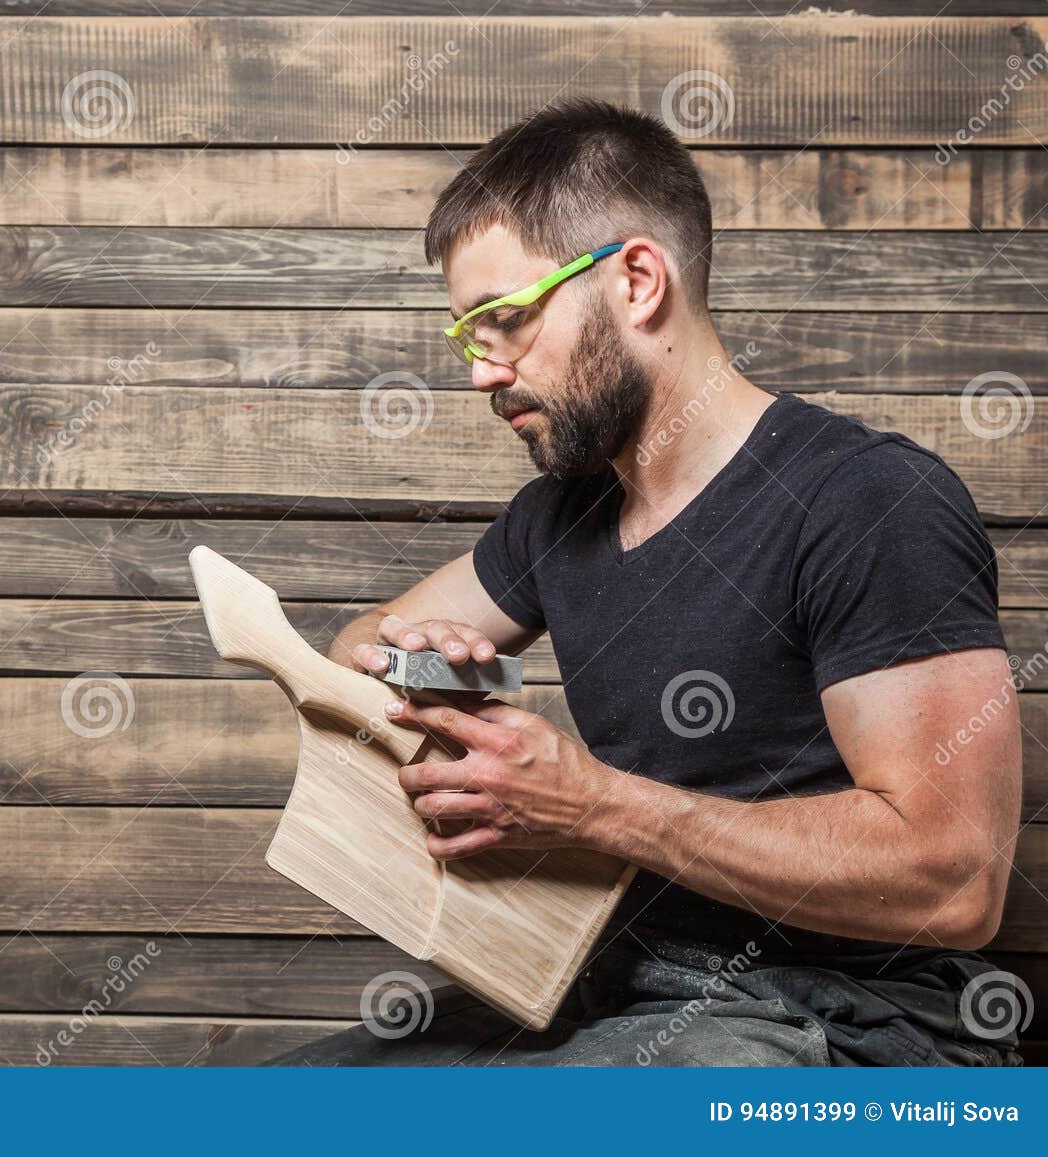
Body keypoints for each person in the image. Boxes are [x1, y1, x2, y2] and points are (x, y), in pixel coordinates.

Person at [273, 99, 1025, 1066]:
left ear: (635, 279)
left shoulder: (871, 501)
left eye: (504, 321)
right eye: (469, 336)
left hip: (858, 1023)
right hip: (618, 982)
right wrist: (430, 667)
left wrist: (593, 805)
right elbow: (360, 645)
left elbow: (955, 882)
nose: (482, 372)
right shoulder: (564, 513)